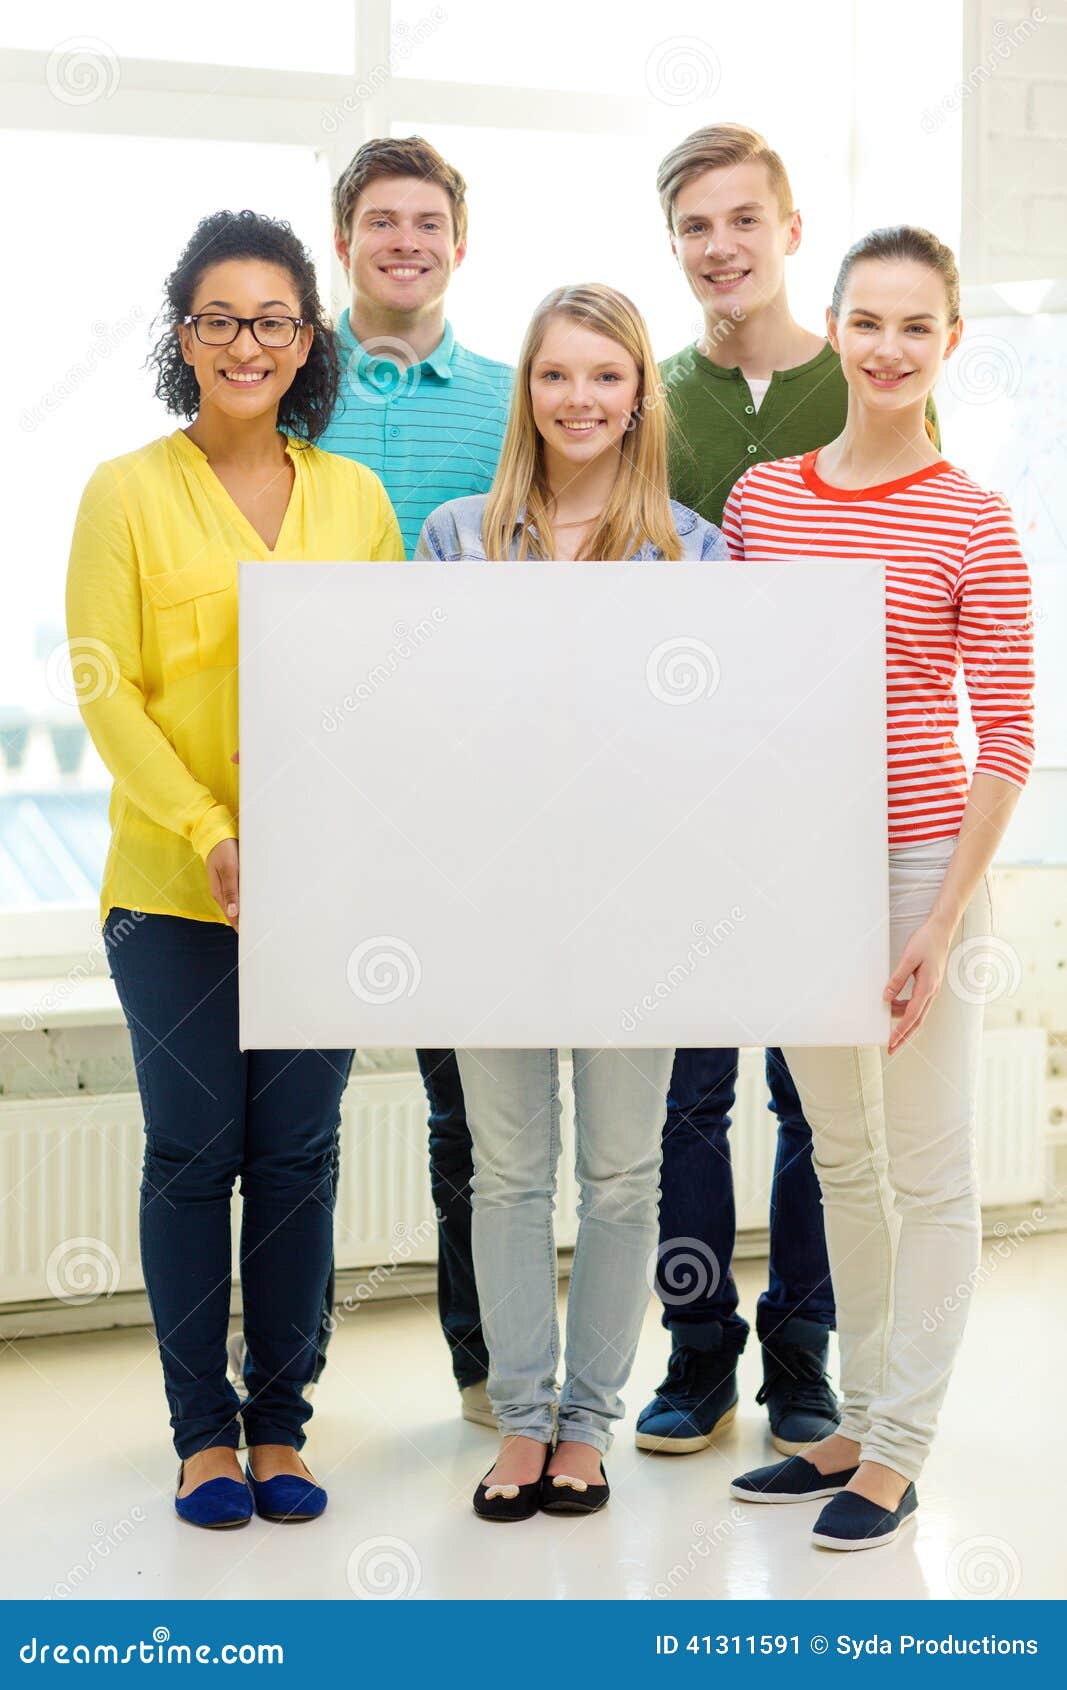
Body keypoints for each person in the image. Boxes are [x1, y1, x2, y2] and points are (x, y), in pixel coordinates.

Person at [66, 210, 404, 1530]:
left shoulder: (354, 498)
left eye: (272, 319)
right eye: (219, 318)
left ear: (306, 338)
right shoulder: (125, 492)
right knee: (193, 1154)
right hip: (172, 892)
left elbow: (386, 686)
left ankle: (282, 1425)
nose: (245, 342)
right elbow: (107, 689)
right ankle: (201, 1434)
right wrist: (210, 829)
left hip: (321, 890)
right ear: (183, 335)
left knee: (301, 1158)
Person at [726, 226, 1034, 1549]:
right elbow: (729, 702)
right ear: (833, 328)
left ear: (946, 342)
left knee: (926, 1167)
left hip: (921, 869)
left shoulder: (972, 517)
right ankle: (852, 1419)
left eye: (916, 326)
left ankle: (897, 1449)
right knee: (838, 1156)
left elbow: (1005, 734)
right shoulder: (760, 502)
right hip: (797, 866)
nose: (888, 348)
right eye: (868, 321)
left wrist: (938, 915)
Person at [636, 124, 940, 1459]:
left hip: (833, 811)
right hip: (692, 808)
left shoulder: (866, 377)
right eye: (694, 229)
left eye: (741, 222)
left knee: (818, 1109)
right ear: (675, 248)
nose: (720, 249)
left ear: (788, 229)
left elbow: (929, 551)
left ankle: (799, 1361)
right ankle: (695, 1350)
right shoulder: (651, 395)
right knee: (689, 1094)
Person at [417, 283, 728, 1520]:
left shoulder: (689, 550)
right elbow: (429, 727)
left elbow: (709, 740)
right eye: (557, 375)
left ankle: (585, 1423)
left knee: (618, 1174)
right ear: (527, 393)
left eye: (606, 376)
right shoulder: (454, 537)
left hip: (633, 909)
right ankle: (518, 1415)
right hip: (487, 902)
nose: (580, 399)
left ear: (638, 393)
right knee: (504, 1173)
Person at [314, 136, 513, 1425]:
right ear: (342, 242)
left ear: (457, 241)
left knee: (465, 1109)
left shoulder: (510, 396)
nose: (405, 241)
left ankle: (485, 1366)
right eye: (380, 221)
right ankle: (278, 1391)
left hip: (465, 797)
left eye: (427, 222)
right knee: (293, 1107)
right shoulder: (286, 377)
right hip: (308, 782)